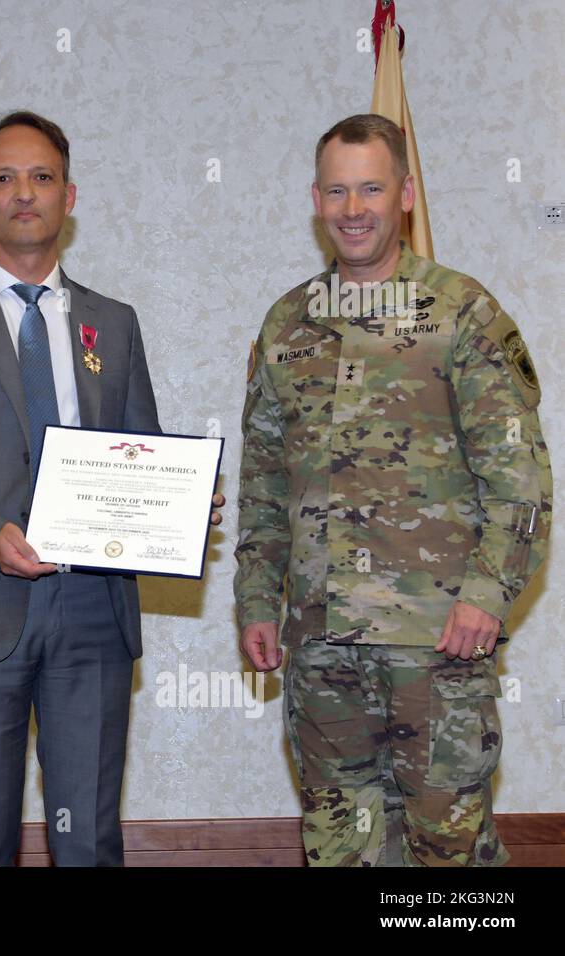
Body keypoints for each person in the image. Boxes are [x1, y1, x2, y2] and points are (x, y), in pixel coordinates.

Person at [0, 111, 222, 866]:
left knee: (89, 836)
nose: (23, 193)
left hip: (93, 612)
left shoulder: (114, 324)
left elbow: (140, 450)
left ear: (69, 195)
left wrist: (182, 504)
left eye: (41, 177)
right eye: (3, 178)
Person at [235, 113, 552, 866]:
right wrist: (255, 599)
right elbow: (264, 480)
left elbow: (521, 478)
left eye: (371, 188)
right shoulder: (288, 323)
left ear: (405, 193)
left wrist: (487, 592)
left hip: (435, 639)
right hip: (320, 644)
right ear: (316, 199)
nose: (354, 209)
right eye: (338, 191)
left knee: (446, 848)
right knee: (340, 842)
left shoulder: (462, 312)